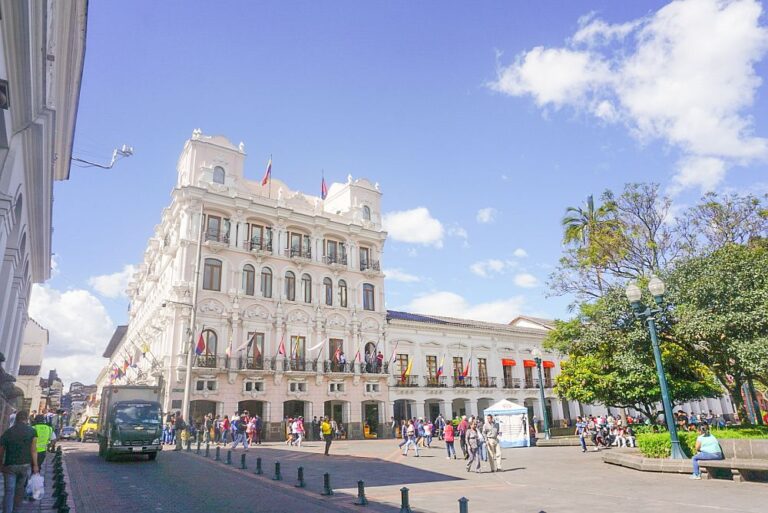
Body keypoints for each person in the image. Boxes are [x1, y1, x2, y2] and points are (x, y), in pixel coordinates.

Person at [0, 411, 39, 512]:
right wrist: (35, 465)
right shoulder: (32, 431)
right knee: (20, 491)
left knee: (9, 492)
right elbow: (33, 450)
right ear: (26, 419)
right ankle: (16, 510)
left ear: (16, 419)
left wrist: (0, 464)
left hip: (10, 465)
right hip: (25, 465)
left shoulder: (8, 432)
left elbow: (1, 449)